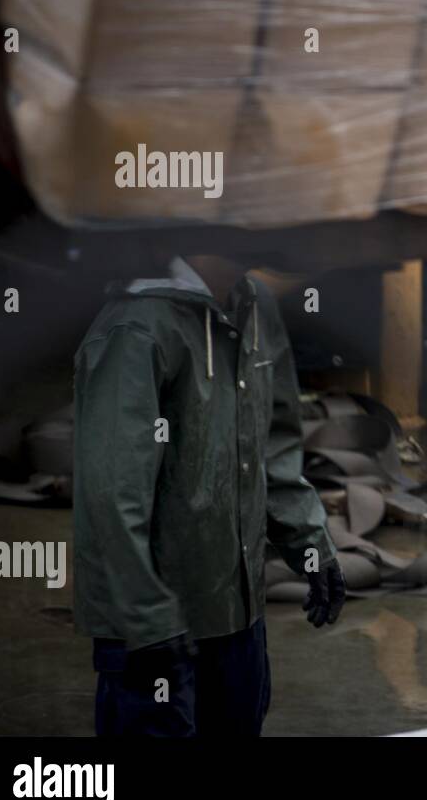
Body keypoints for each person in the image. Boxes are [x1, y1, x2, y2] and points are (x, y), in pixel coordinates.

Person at [73, 254, 345, 737]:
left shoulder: (255, 305)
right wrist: (145, 618)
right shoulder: (137, 329)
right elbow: (110, 495)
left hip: (237, 614)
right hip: (158, 633)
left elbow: (273, 442)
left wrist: (310, 541)